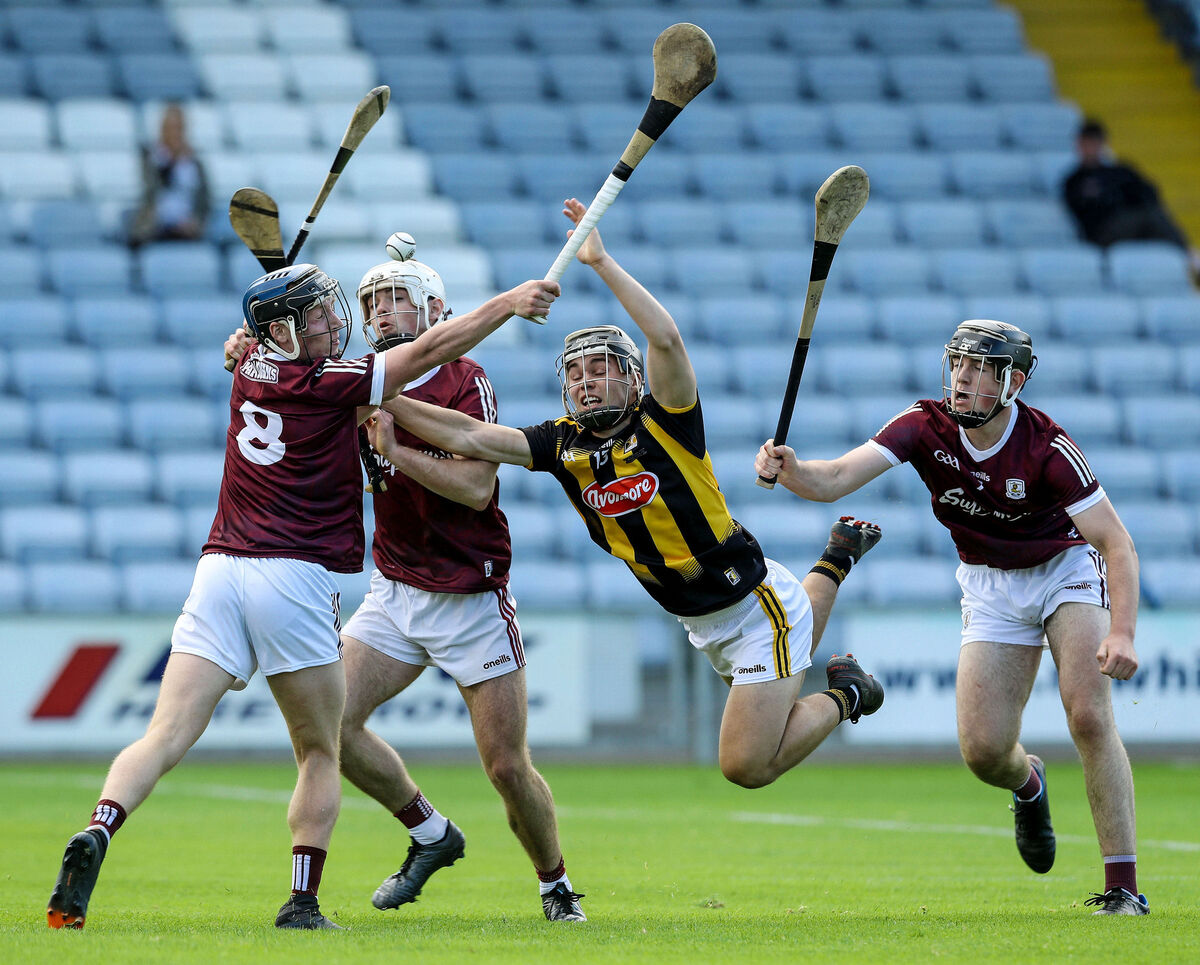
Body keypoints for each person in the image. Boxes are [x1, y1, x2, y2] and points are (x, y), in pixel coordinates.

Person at [46, 264, 560, 931]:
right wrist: (511, 303)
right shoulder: (332, 384)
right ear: (287, 328)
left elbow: (257, 351)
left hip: (219, 569)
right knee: (320, 749)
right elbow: (430, 351)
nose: (334, 320)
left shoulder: (248, 369)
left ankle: (101, 826)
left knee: (164, 732)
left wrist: (247, 341)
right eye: (318, 314)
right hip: (293, 577)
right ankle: (302, 901)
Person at [379, 198, 888, 805]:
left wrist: (600, 261)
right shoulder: (559, 444)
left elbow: (666, 337)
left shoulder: (666, 422)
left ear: (632, 377)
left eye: (601, 368)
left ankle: (849, 693)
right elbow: (466, 436)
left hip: (750, 605)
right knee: (783, 677)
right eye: (577, 373)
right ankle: (836, 557)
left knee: (748, 765)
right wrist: (377, 394)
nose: (587, 381)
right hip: (697, 617)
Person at [226, 250, 584, 922]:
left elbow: (477, 488)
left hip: (472, 597)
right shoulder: (350, 381)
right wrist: (247, 352)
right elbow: (277, 389)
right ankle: (429, 832)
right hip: (394, 592)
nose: (379, 310)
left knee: (507, 766)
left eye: (394, 296)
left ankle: (555, 883)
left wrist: (397, 451)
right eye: (370, 301)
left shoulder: (463, 378)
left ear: (434, 310)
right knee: (330, 727)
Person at [755, 319, 1147, 916]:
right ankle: (1028, 783)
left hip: (1062, 569)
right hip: (989, 584)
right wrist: (790, 469)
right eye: (957, 364)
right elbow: (833, 479)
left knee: (1089, 714)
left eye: (978, 369)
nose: (960, 380)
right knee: (985, 752)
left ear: (1012, 381)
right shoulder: (922, 425)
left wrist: (1121, 630)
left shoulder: (1047, 447)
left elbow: (1115, 542)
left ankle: (1122, 886)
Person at [1062, 118, 1200, 281]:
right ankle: (1190, 258)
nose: (1090, 148)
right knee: (1150, 217)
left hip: (1131, 225)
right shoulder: (1074, 180)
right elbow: (1084, 212)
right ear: (1079, 145)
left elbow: (1149, 192)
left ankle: (1186, 260)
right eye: (1086, 143)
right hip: (1102, 234)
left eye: (1094, 143)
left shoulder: (1119, 171)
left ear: (1102, 144)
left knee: (1153, 215)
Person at [128, 102, 210, 247]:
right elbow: (151, 189)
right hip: (155, 226)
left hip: (187, 227)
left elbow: (205, 198)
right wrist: (172, 160)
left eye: (179, 129)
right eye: (170, 128)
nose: (174, 134)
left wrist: (195, 221)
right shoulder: (151, 157)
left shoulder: (194, 163)